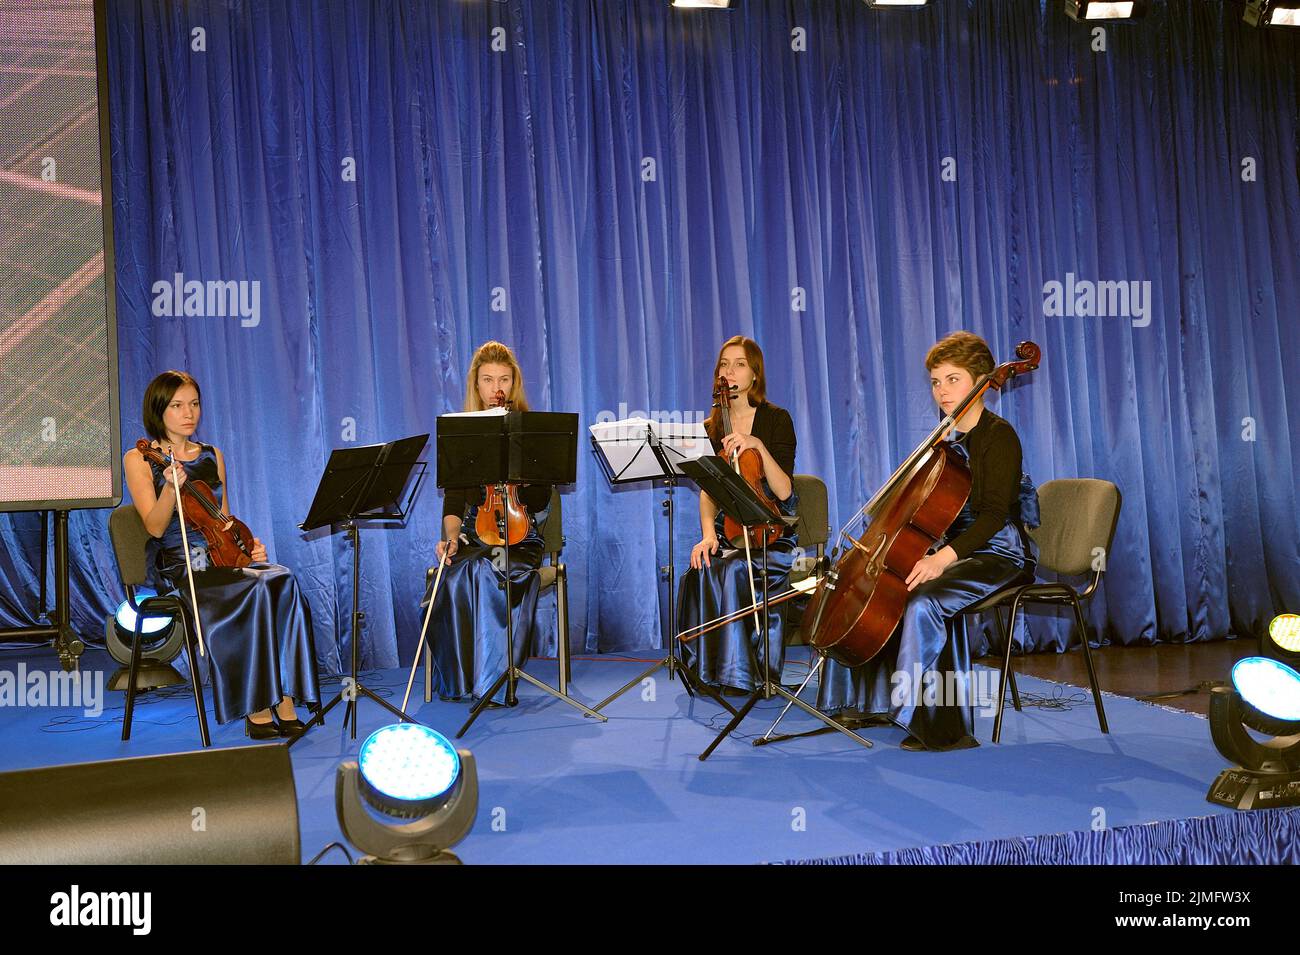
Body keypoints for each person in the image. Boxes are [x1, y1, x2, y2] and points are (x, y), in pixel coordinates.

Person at [816, 331, 1038, 750]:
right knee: (890, 590)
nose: (942, 390)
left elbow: (993, 516)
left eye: (953, 379)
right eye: (936, 382)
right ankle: (867, 702)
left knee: (927, 600)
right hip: (956, 550)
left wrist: (943, 559)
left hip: (1001, 552)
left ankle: (940, 726)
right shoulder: (946, 438)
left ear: (980, 380)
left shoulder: (999, 436)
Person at [123, 371, 319, 740]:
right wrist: (169, 487)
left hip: (222, 560)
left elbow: (224, 519)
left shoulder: (213, 456)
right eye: (178, 405)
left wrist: (246, 548)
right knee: (254, 588)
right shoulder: (138, 458)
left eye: (194, 404)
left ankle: (287, 696)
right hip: (184, 566)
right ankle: (258, 706)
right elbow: (153, 526)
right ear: (158, 410)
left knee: (280, 577)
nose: (188, 413)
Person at [427, 341, 552, 703]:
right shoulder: (462, 433)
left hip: (521, 540)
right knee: (452, 578)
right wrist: (451, 537)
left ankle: (494, 682)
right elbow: (453, 501)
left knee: (485, 572)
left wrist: (528, 478)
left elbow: (540, 502)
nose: (497, 388)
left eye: (504, 379)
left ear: (514, 385)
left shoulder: (533, 431)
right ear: (476, 386)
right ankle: (462, 680)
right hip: (474, 537)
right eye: (488, 380)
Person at [678, 335, 799, 694]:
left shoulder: (776, 419)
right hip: (727, 533)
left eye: (740, 364)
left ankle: (742, 675)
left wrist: (757, 446)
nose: (730, 371)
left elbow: (785, 492)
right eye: (724, 364)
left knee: (732, 569)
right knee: (701, 568)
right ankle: (709, 672)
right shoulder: (711, 426)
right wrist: (707, 534)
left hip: (771, 535)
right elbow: (708, 490)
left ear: (754, 375)